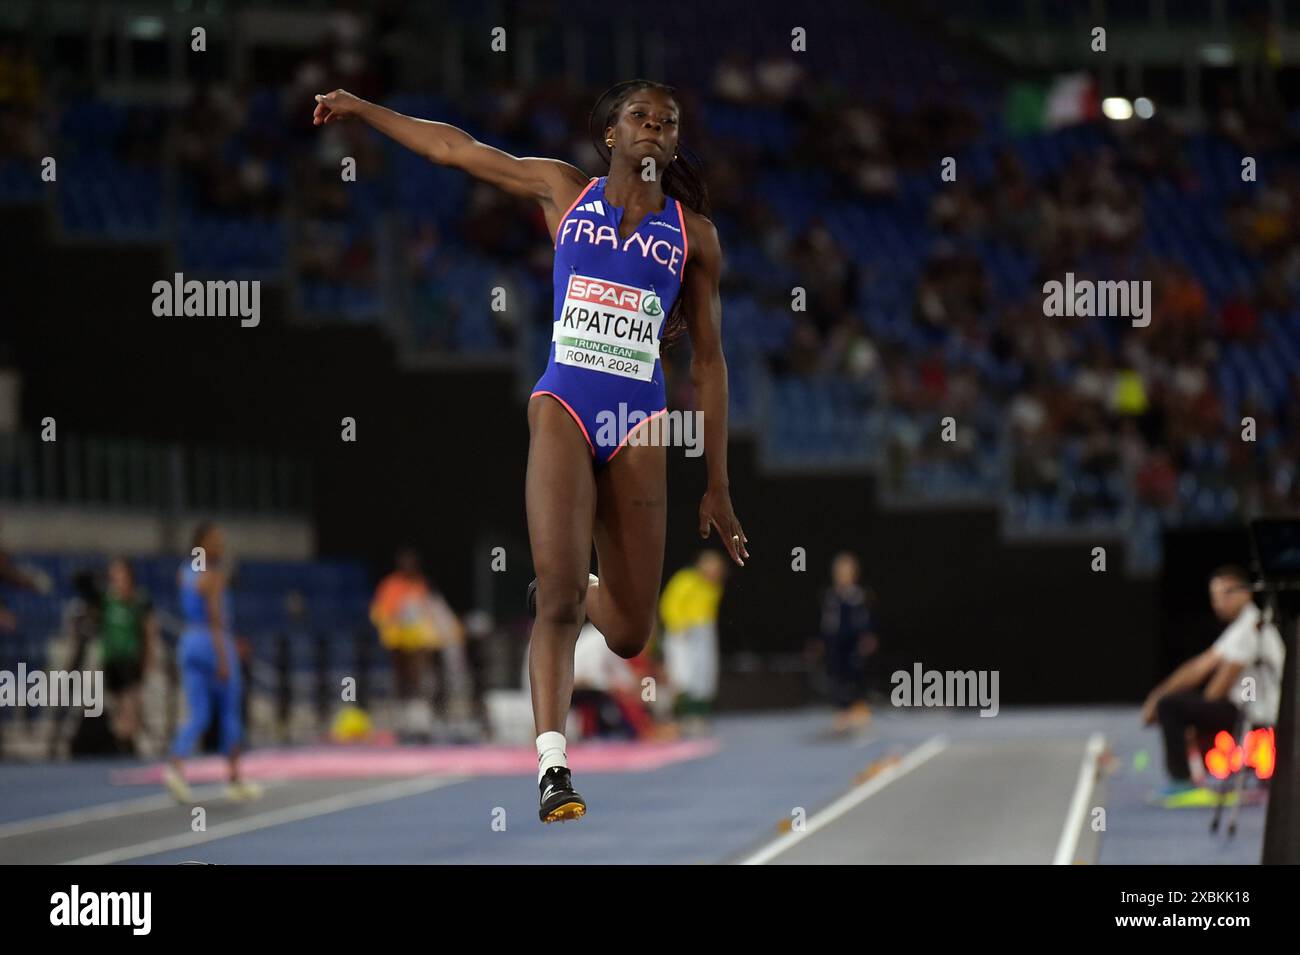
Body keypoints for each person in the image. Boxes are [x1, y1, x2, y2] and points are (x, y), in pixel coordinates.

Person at [313, 79, 747, 823]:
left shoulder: (694, 234)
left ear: (673, 143)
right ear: (610, 133)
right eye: (638, 116)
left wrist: (718, 483)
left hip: (639, 420)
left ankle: (569, 574)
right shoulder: (561, 191)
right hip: (565, 402)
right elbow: (455, 149)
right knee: (558, 601)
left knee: (631, 629)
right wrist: (365, 110)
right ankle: (553, 763)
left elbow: (708, 363)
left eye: (667, 121)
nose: (653, 127)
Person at [1141, 564, 1286, 802]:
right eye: (1215, 596)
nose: (1220, 602)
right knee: (1170, 702)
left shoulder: (1252, 627)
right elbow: (1200, 666)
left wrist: (1192, 725)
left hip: (1259, 716)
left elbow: (1219, 687)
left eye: (1227, 594)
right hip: (1246, 711)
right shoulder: (1241, 626)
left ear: (1246, 593)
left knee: (1171, 707)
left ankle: (1182, 781)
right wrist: (1156, 695)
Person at [163, 523, 261, 802]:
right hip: (212, 643)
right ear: (202, 544)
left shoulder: (185, 573)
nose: (221, 547)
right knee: (230, 711)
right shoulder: (213, 577)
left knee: (199, 715)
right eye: (216, 541)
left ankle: (176, 765)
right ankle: (234, 778)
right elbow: (216, 619)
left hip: (189, 642)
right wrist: (223, 658)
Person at [370, 548, 464, 741]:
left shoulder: (420, 585)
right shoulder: (390, 585)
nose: (409, 566)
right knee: (405, 681)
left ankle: (428, 718)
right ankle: (404, 720)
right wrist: (397, 635)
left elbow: (427, 616)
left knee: (428, 676)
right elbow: (381, 615)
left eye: (412, 562)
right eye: (405, 562)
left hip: (421, 643)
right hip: (398, 642)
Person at [658, 550, 728, 730]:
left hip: (704, 634)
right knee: (682, 675)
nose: (715, 572)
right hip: (682, 633)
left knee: (704, 675)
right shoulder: (685, 579)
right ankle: (678, 717)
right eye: (712, 567)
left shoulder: (713, 585)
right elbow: (669, 604)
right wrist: (679, 625)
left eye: (718, 569)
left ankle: (698, 717)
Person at [815, 552, 878, 733]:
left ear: (854, 574)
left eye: (846, 572)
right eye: (838, 572)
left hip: (854, 643)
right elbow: (827, 621)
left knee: (855, 674)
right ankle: (842, 711)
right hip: (835, 642)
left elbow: (867, 619)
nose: (841, 576)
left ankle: (859, 707)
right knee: (837, 676)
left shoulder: (859, 596)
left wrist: (868, 637)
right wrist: (822, 641)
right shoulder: (830, 596)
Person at [99, 556, 157, 754]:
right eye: (113, 575)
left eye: (120, 574)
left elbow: (149, 632)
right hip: (111, 660)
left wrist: (148, 659)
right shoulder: (107, 600)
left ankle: (126, 743)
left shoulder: (138, 601)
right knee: (116, 708)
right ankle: (121, 741)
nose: (116, 579)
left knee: (130, 705)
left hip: (131, 660)